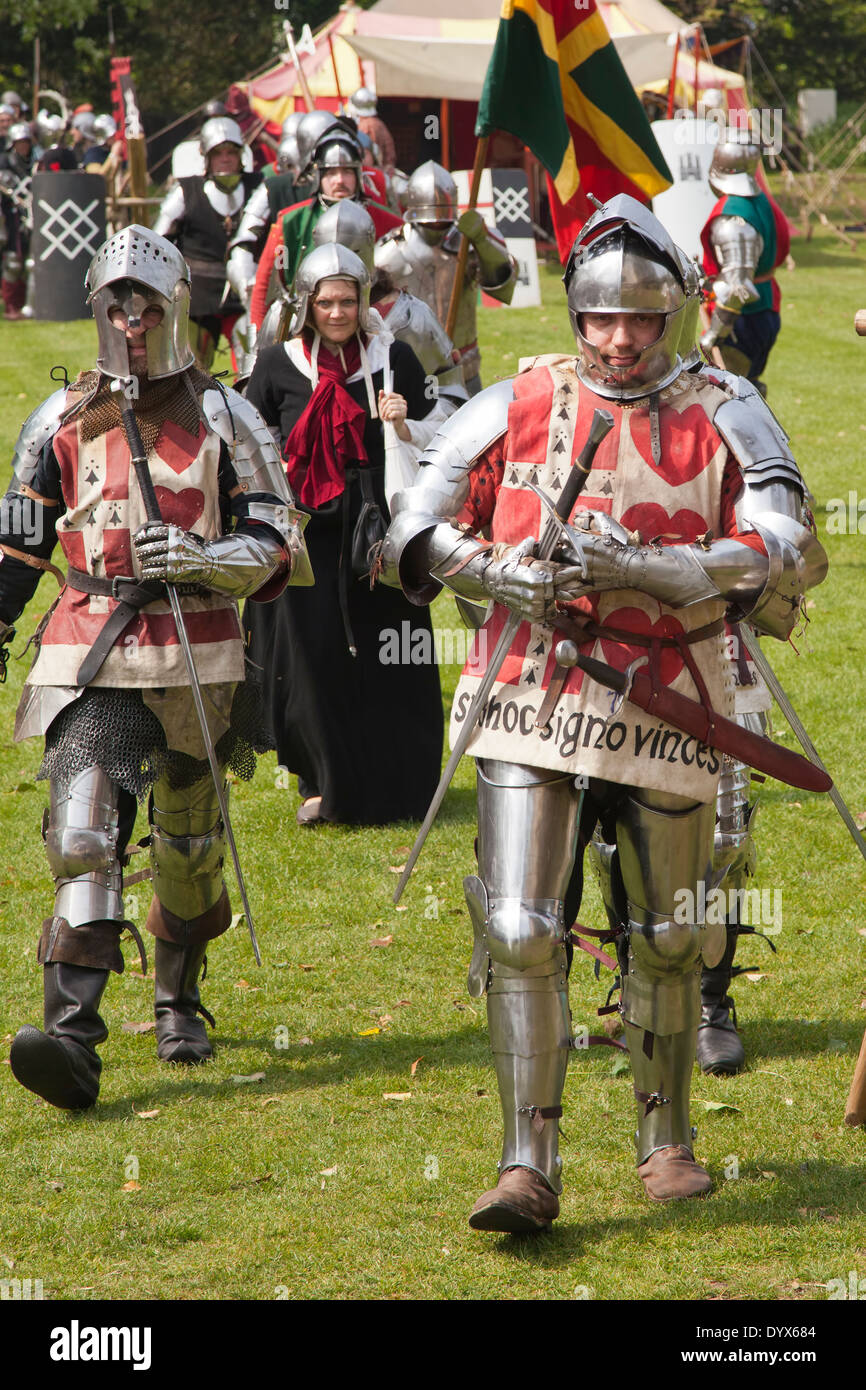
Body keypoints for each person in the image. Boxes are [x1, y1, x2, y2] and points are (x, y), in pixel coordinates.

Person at [381, 194, 826, 1231]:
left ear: (669, 314)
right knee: (514, 924)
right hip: (534, 685)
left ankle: (662, 1136)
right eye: (598, 319)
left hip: (669, 693)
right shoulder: (518, 399)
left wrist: (642, 566)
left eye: (637, 319)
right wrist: (494, 571)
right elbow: (407, 527)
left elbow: (783, 539)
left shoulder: (724, 403)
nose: (617, 340)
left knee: (668, 932)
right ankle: (523, 1161)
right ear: (575, 317)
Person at [0, 224, 310, 1110]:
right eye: (116, 304)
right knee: (85, 833)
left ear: (177, 312)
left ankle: (179, 1000)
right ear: (99, 312)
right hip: (92, 645)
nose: (131, 321)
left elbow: (280, 539)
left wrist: (204, 556)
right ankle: (71, 1039)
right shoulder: (61, 417)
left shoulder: (226, 414)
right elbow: (20, 543)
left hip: (199, 653)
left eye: (147, 305)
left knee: (187, 845)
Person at [244, 243, 442, 826]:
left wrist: (406, 422)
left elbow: (445, 438)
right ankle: (322, 783)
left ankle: (399, 784)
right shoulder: (277, 365)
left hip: (378, 530)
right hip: (307, 533)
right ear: (306, 304)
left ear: (363, 300)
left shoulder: (394, 357)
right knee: (314, 656)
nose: (337, 312)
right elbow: (248, 447)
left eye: (348, 300)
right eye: (326, 302)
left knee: (392, 654)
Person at [375, 161, 517, 395]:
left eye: (442, 221)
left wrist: (481, 240)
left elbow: (503, 287)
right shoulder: (390, 252)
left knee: (471, 430)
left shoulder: (468, 245)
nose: (437, 226)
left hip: (464, 364)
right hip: (409, 363)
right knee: (416, 429)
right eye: (431, 222)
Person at [248, 122, 401, 334]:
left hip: (374, 328)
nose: (340, 180)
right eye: (331, 172)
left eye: (347, 171)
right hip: (303, 328)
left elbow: (405, 288)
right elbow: (266, 288)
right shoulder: (292, 222)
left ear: (358, 174)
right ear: (319, 176)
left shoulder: (388, 222)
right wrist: (257, 341)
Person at [153, 116, 261, 372]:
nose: (225, 158)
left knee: (253, 366)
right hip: (196, 296)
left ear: (240, 155)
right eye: (218, 153)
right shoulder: (186, 191)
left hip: (245, 291)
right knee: (189, 370)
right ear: (206, 156)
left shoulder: (259, 188)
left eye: (231, 152)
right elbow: (158, 243)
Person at [700, 131, 790, 397]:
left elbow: (739, 286)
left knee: (731, 397)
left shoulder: (733, 219)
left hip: (742, 321)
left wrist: (715, 332)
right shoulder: (759, 200)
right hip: (764, 308)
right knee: (749, 387)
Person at [0, 121, 35, 319]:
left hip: (32, 215)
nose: (23, 146)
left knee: (31, 262)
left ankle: (26, 304)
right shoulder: (5, 161)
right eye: (19, 142)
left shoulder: (34, 161)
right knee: (13, 261)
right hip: (13, 216)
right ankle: (11, 306)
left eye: (25, 142)